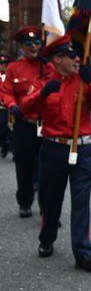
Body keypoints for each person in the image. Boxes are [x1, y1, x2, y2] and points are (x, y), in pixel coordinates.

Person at [20, 35, 91, 270]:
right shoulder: (45, 82)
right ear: (58, 59)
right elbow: (24, 108)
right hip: (54, 148)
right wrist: (42, 94)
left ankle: (83, 252)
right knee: (52, 199)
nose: (77, 59)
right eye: (72, 56)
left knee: (81, 201)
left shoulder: (83, 80)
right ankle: (47, 238)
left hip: (83, 148)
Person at [0, 26, 53, 217]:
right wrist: (12, 105)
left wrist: (49, 67)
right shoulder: (14, 68)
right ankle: (25, 201)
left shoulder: (48, 66)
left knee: (48, 169)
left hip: (46, 125)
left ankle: (48, 210)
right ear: (22, 46)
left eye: (37, 42)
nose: (34, 46)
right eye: (29, 43)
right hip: (25, 124)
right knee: (25, 166)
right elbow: (5, 92)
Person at [0, 53, 11, 158]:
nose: (3, 65)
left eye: (5, 63)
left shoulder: (10, 76)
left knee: (8, 128)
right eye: (1, 63)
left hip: (8, 107)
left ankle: (7, 145)